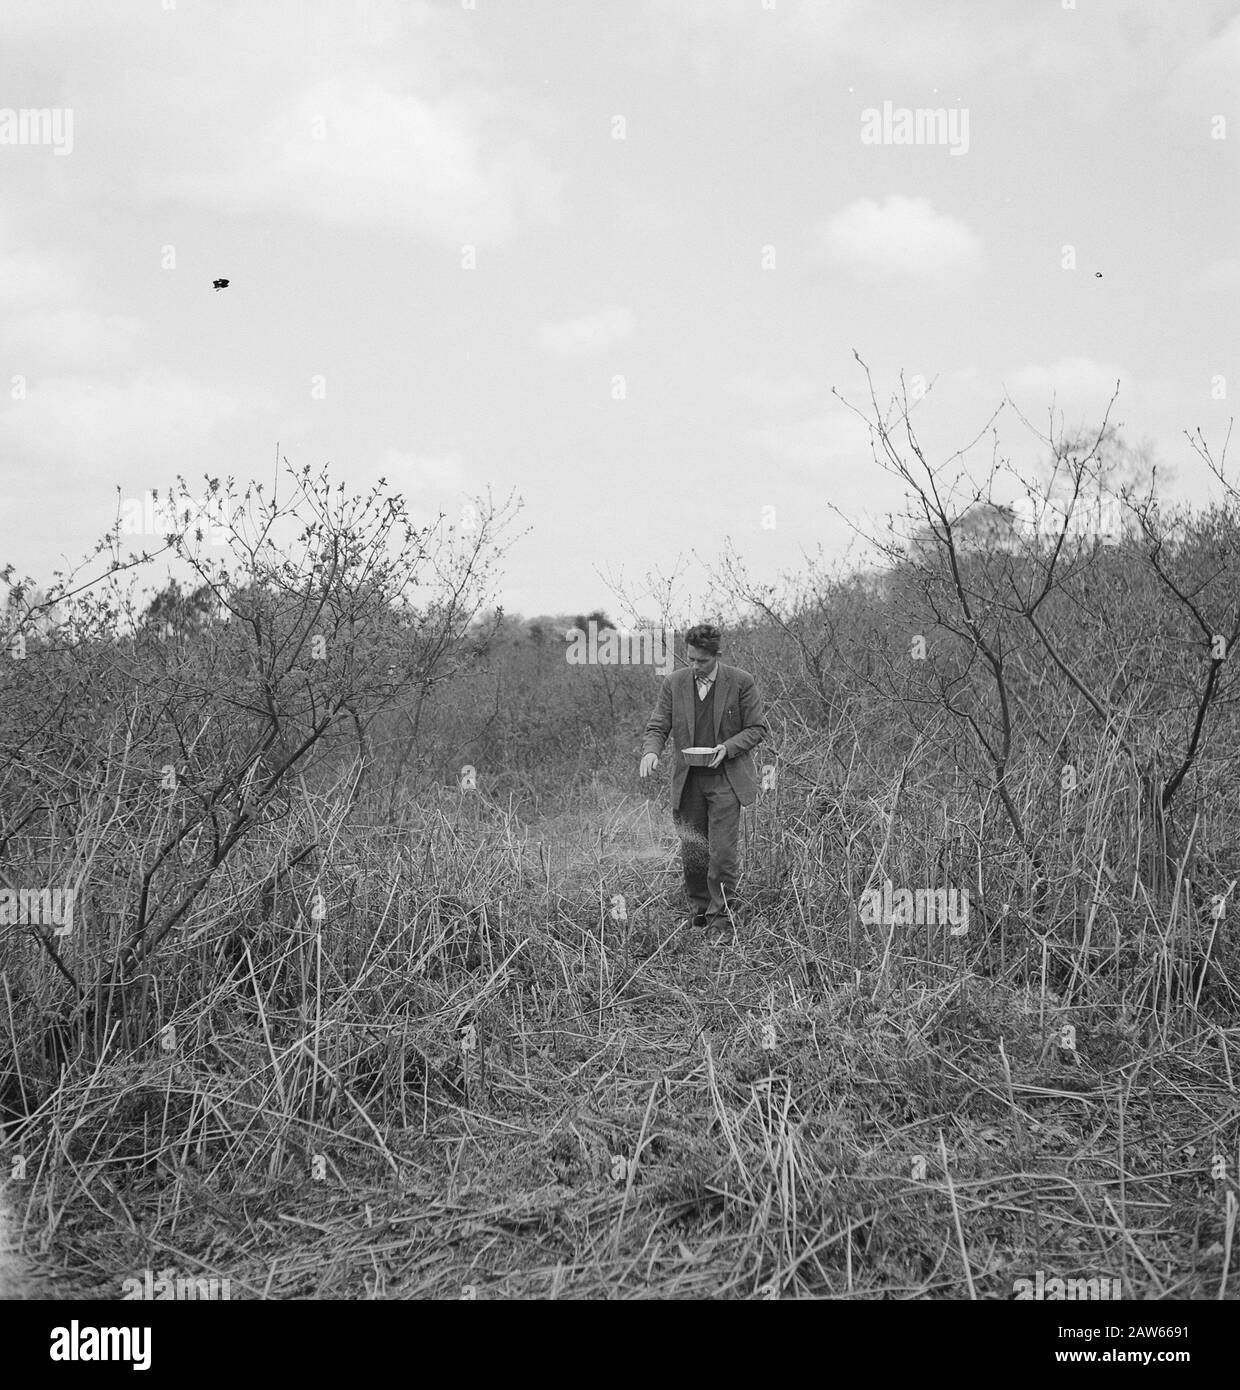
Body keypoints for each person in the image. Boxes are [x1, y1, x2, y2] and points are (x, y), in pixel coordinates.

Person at [639, 624, 767, 935]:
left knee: (722, 853)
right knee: (693, 850)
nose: (695, 667)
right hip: (689, 780)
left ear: (716, 656)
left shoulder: (741, 682)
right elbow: (658, 726)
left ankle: (721, 922)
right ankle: (699, 913)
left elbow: (757, 729)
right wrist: (651, 752)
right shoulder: (675, 683)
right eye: (691, 660)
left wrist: (728, 747)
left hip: (726, 778)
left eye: (702, 661)